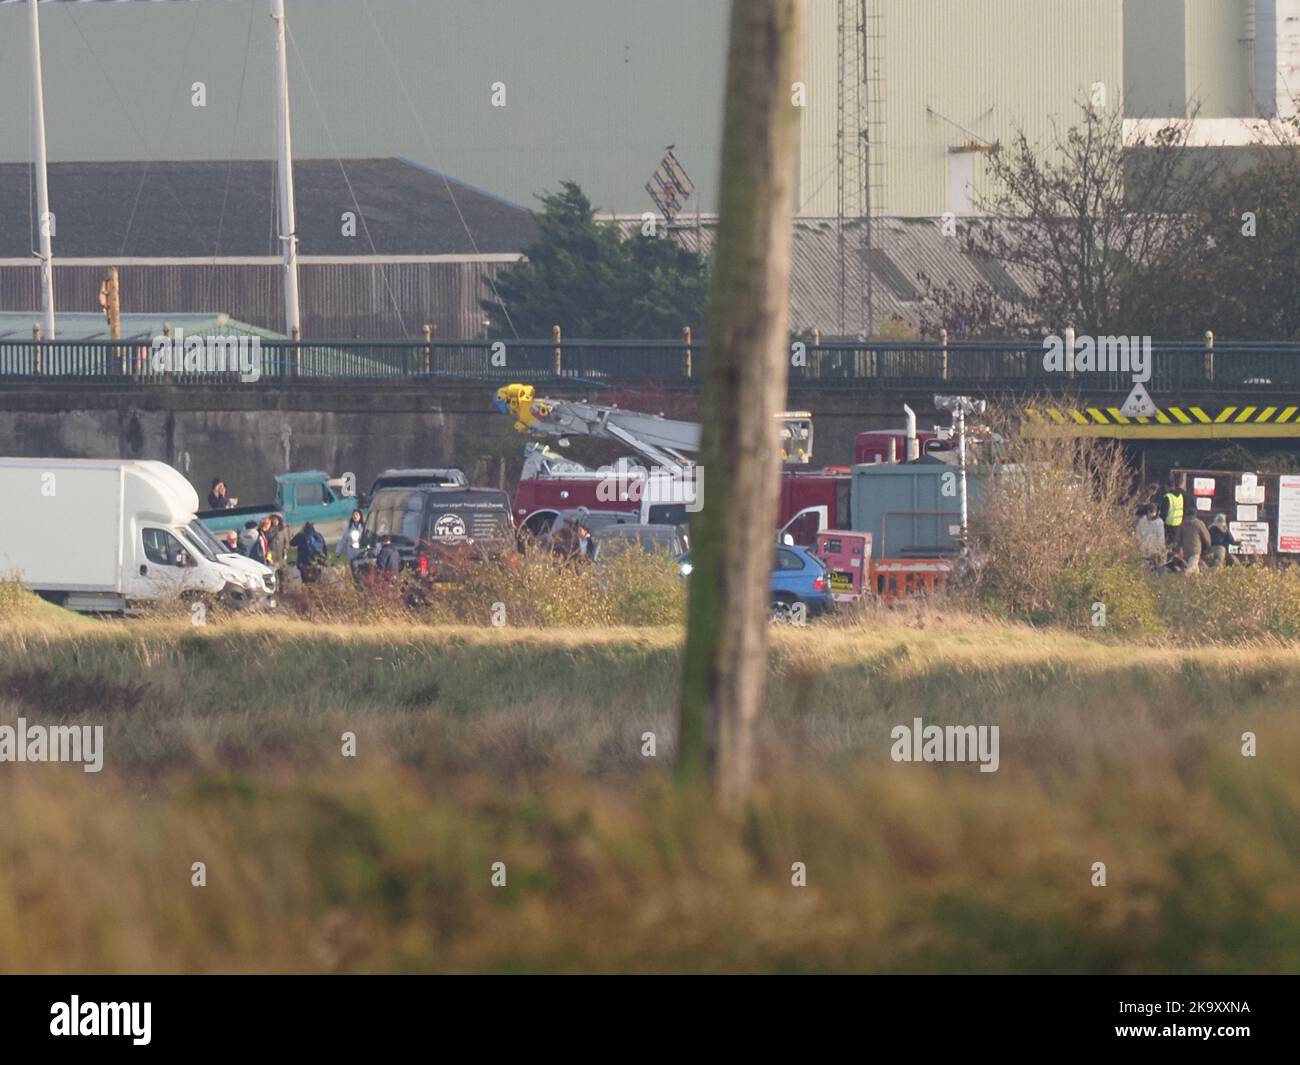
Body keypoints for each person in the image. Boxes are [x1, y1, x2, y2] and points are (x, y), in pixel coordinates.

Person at [1176, 507, 1212, 574]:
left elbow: (1178, 538)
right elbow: (1207, 537)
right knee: (1189, 572)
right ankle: (1185, 583)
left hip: (1185, 550)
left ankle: (1198, 582)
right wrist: (1208, 547)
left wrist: (1178, 548)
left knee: (1194, 570)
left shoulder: (1182, 524)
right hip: (1195, 550)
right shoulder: (1198, 523)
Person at [1136, 502, 1166, 572]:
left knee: (1154, 566)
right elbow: (1138, 532)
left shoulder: (1159, 523)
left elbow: (1161, 537)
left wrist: (1161, 548)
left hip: (1154, 550)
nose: (1152, 515)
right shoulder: (1142, 520)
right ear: (1148, 512)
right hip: (1143, 548)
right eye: (1150, 513)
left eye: (1153, 513)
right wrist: (1138, 543)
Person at [1158, 474, 1185, 546]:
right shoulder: (1180, 496)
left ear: (1167, 486)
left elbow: (1164, 513)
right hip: (1178, 525)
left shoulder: (1167, 497)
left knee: (1168, 547)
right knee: (1175, 547)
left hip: (1168, 527)